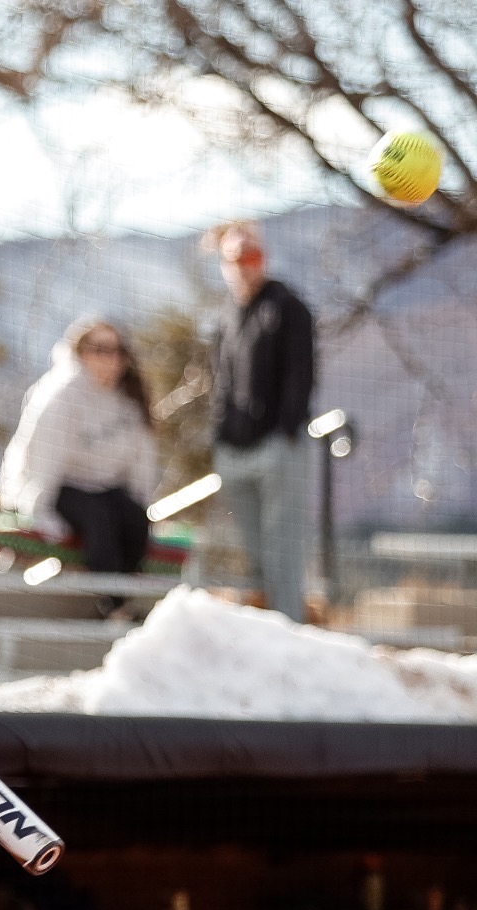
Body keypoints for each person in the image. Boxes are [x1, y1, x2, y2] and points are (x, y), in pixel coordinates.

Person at [0, 316, 158, 594]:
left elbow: (141, 461)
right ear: (81, 351)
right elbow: (43, 458)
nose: (111, 359)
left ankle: (128, 594)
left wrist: (140, 501)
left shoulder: (130, 399)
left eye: (118, 350)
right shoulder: (60, 395)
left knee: (133, 520)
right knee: (99, 522)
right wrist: (38, 512)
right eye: (100, 349)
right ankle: (112, 603)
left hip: (106, 487)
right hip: (60, 486)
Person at [208, 220, 317, 621]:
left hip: (277, 447)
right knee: (252, 552)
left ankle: (290, 634)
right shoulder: (224, 315)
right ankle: (262, 637)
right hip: (233, 450)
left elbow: (301, 375)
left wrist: (287, 430)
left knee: (282, 553)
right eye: (235, 258)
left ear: (264, 259)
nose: (244, 266)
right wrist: (219, 437)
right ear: (223, 264)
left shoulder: (288, 307)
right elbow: (220, 380)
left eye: (252, 256)